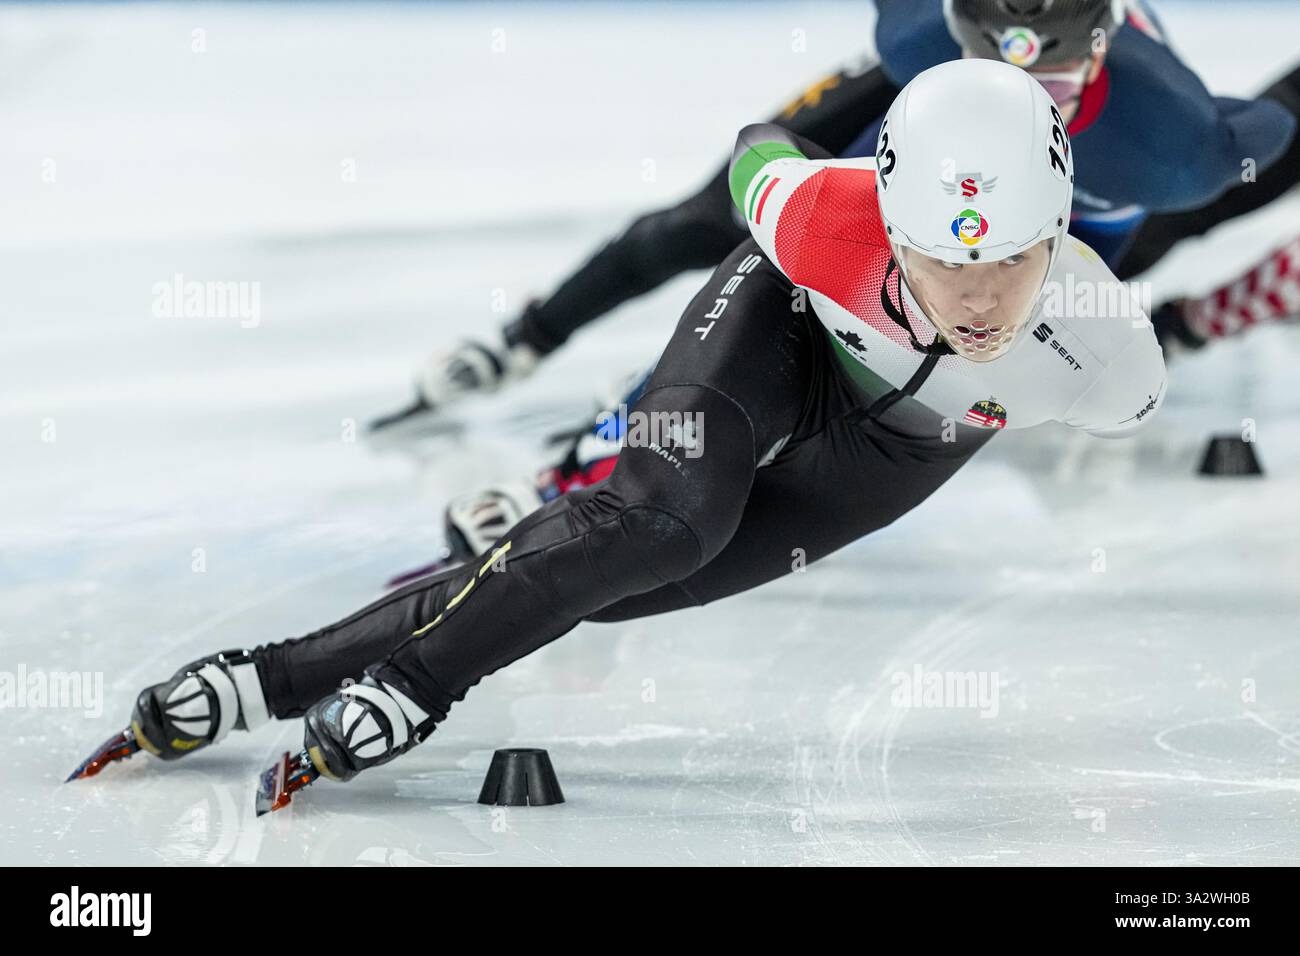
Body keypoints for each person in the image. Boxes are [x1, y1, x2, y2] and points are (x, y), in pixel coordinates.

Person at [71, 61, 1167, 812]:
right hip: (781, 323)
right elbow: (756, 151)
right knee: (654, 523)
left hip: (902, 442)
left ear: (1060, 230)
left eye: (1010, 262)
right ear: (890, 223)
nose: (975, 303)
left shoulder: (1109, 359)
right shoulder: (820, 216)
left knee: (608, 581)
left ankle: (277, 676)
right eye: (940, 260)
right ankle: (372, 686)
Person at [370, 0, 1293, 430]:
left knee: (891, 322)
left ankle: (673, 406)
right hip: (911, 100)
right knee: (715, 222)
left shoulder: (1177, 143)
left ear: (1095, 56)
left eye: (1048, 83)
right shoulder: (915, 36)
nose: (1022, 104)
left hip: (1106, 190)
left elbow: (1272, 133)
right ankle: (529, 335)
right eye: (997, 74)